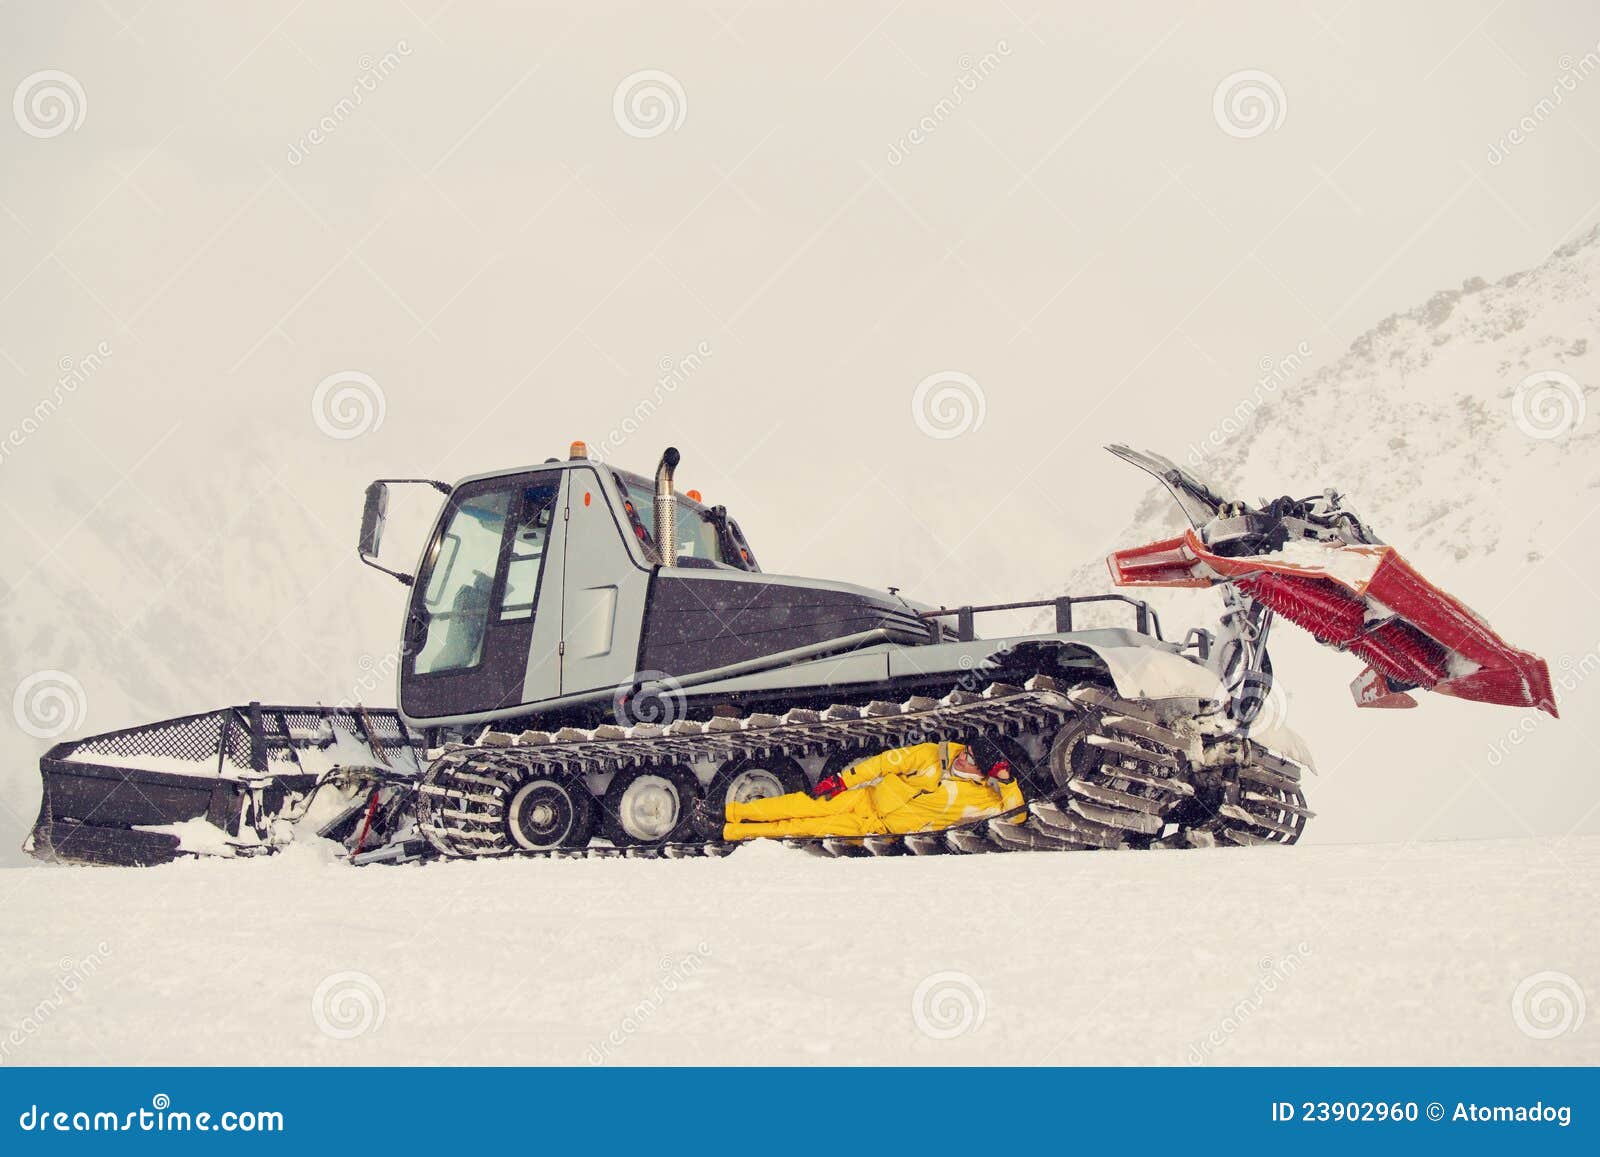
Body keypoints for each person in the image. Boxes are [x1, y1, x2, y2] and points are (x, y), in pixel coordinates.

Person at [722, 740, 1025, 841]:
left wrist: (1008, 782)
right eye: (967, 750)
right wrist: (843, 781)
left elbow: (1014, 819)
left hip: (875, 827)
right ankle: (731, 813)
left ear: (983, 772)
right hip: (864, 798)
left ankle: (731, 832)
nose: (963, 756)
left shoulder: (980, 798)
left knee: (802, 828)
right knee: (803, 804)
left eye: (971, 759)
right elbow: (883, 763)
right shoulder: (933, 754)